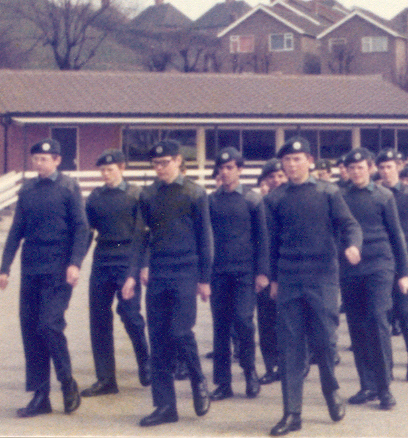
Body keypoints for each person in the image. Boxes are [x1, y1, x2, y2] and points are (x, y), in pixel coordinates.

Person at [264, 136, 363, 436]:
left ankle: (331, 390)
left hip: (322, 277)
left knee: (324, 342)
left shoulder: (328, 192)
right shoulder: (275, 198)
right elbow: (270, 242)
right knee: (290, 348)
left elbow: (350, 225)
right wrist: (272, 279)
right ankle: (292, 413)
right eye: (286, 161)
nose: (292, 165)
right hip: (290, 278)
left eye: (297, 159)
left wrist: (353, 246)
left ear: (309, 161)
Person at [122, 139, 213, 427]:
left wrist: (205, 279)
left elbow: (205, 238)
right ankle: (165, 406)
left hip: (186, 270)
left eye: (165, 163)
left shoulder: (195, 193)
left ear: (178, 161)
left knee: (180, 332)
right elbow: (140, 237)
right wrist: (132, 274)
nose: (160, 168)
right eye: (156, 164)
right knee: (158, 338)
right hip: (159, 271)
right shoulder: (148, 195)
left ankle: (198, 379)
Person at [0, 138, 89, 418]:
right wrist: (5, 267)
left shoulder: (69, 188)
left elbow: (81, 228)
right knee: (31, 330)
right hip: (31, 269)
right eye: (35, 159)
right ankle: (40, 396)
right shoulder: (27, 190)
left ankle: (67, 382)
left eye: (45, 159)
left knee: (49, 325)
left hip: (59, 269)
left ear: (57, 160)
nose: (39, 163)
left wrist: (75, 263)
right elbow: (16, 230)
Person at [339, 147, 408, 410]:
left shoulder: (383, 196)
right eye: (351, 167)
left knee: (377, 321)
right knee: (357, 326)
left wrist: (403, 273)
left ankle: (384, 388)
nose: (356, 172)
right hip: (350, 268)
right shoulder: (341, 196)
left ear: (370, 168)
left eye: (361, 167)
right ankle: (366, 384)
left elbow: (396, 235)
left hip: (379, 266)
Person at [82, 150, 150, 397]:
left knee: (131, 315)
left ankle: (145, 362)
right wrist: (76, 262)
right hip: (102, 258)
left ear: (122, 168)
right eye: (102, 170)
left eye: (110, 170)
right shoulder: (95, 198)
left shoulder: (136, 195)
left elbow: (145, 234)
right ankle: (106, 379)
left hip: (127, 259)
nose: (106, 174)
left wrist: (141, 265)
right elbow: (87, 232)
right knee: (99, 320)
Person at [207, 147, 269, 402]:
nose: (225, 172)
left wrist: (262, 272)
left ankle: (250, 372)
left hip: (245, 272)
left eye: (230, 167)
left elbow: (263, 239)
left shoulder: (252, 200)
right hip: (218, 272)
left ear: (240, 169)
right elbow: (204, 238)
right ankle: (223, 382)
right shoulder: (211, 201)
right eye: (221, 168)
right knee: (220, 327)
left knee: (244, 322)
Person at [376, 148, 408, 382]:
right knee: (384, 314)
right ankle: (384, 366)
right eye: (382, 167)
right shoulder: (375, 195)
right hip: (383, 260)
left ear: (397, 167)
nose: (386, 171)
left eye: (390, 166)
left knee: (407, 311)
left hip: (407, 259)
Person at [254, 158, 287, 385]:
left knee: (292, 321)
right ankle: (272, 365)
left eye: (280, 176)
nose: (276, 180)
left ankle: (296, 362)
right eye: (271, 177)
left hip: (291, 270)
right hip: (267, 271)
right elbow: (258, 242)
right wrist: (262, 272)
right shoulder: (260, 206)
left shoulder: (295, 201)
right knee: (266, 321)